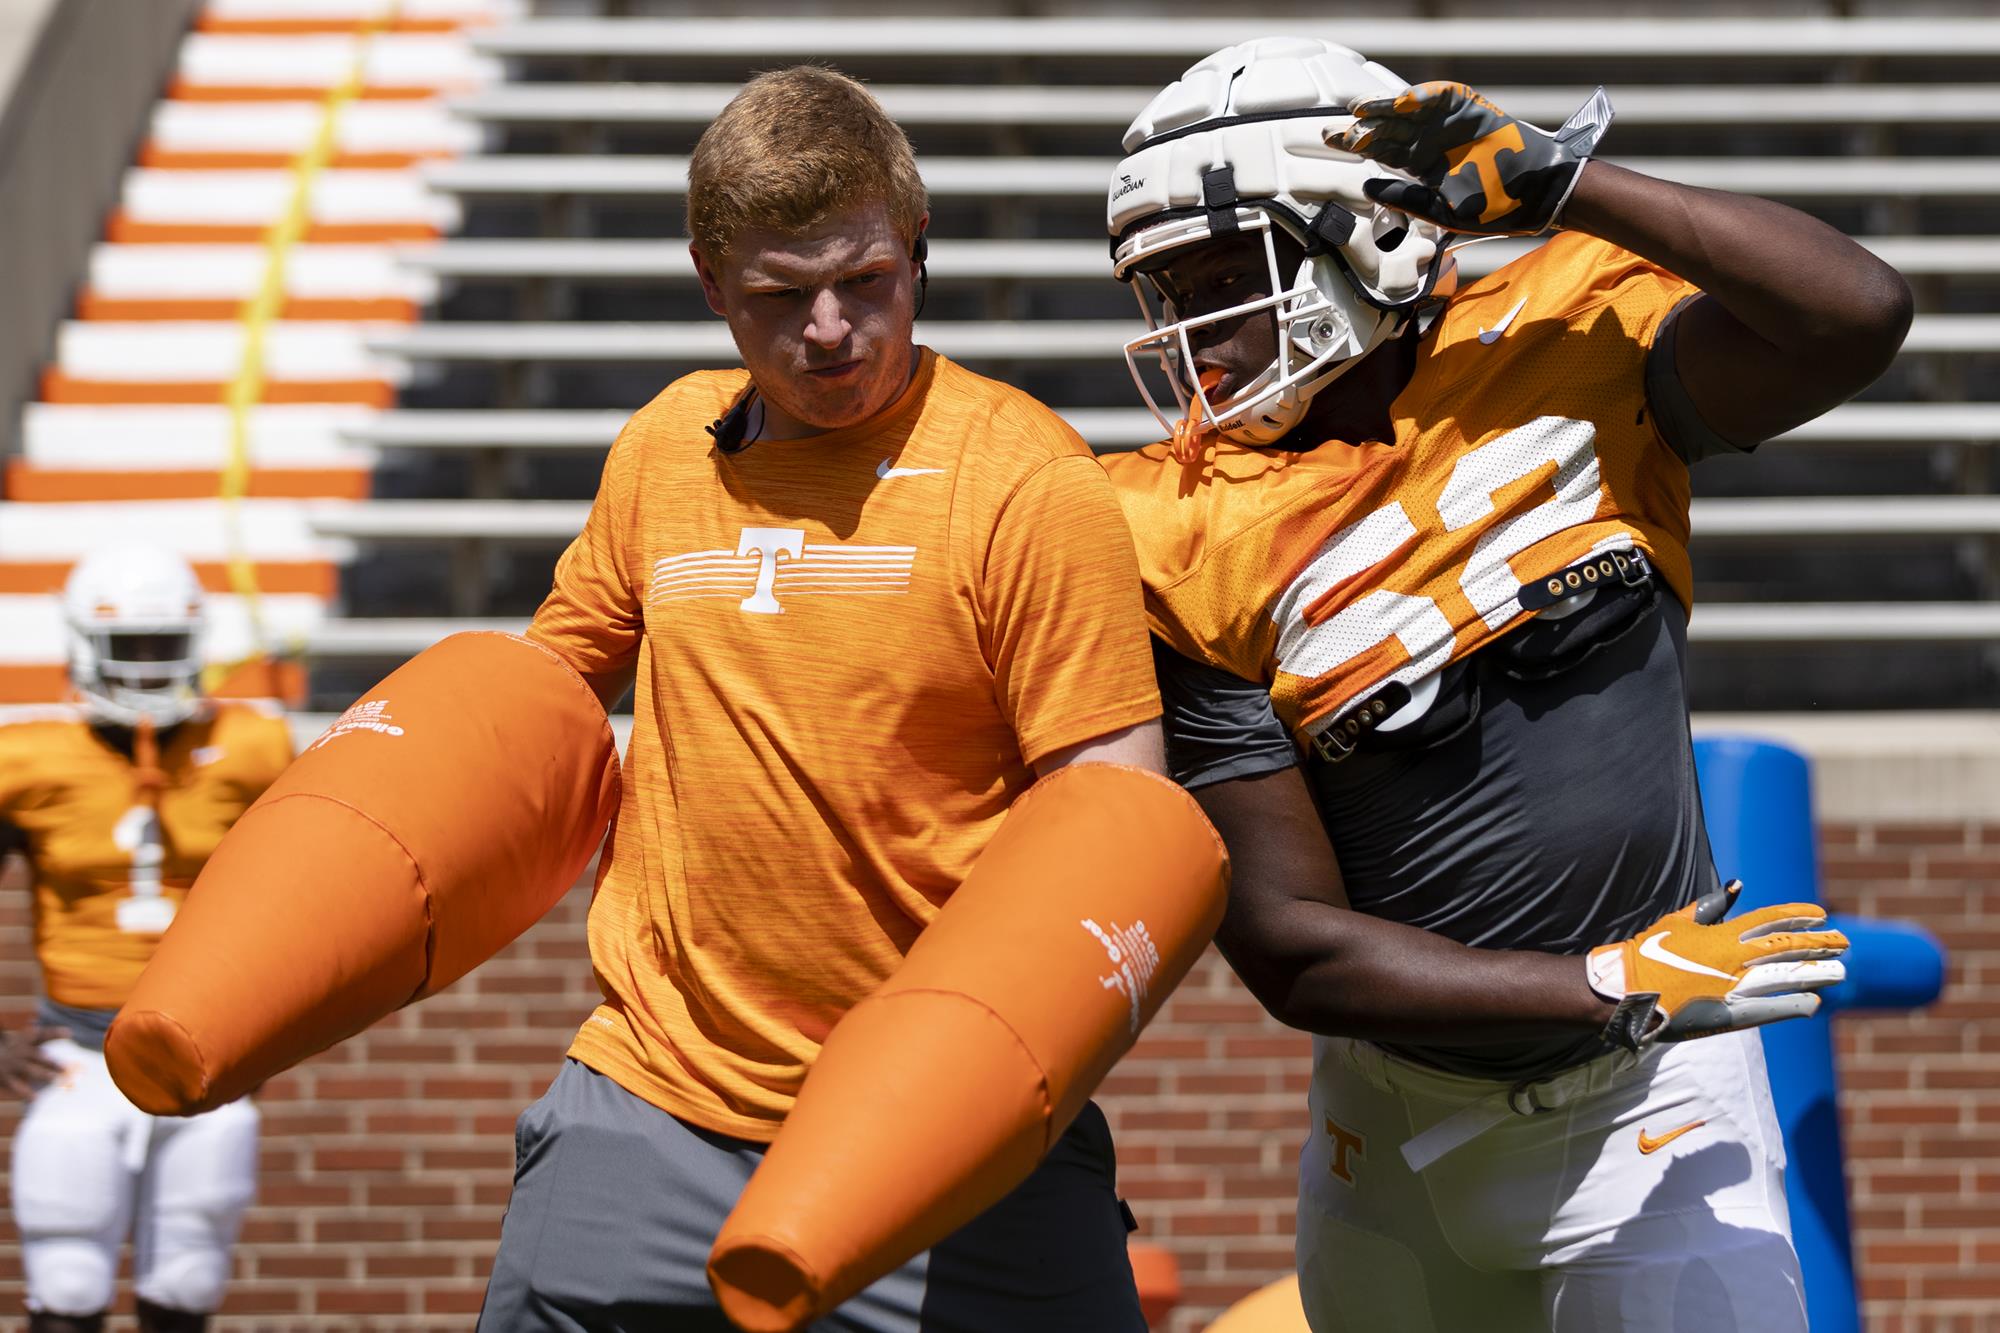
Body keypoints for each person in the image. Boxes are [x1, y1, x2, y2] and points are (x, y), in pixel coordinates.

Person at [1098, 36, 1905, 1332]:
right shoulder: (1178, 529)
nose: (1192, 339)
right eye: (1165, 291)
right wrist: (1611, 977)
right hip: (1397, 1141)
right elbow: (1296, 952)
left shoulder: (1567, 340)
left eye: (1222, 280)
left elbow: (1854, 312)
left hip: (1659, 1108)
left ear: (1360, 232)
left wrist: (1569, 183)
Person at [474, 65, 1176, 1330]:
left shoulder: (1025, 479)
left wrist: (1005, 1067)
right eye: (779, 296)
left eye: (865, 280)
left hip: (946, 1123)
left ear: (917, 248)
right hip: (653, 1096)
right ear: (709, 282)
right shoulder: (657, 449)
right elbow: (541, 700)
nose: (831, 329)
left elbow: (1117, 814)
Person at [0, 546, 292, 1333]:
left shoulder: (254, 744)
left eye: (164, 644)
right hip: (77, 1050)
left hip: (204, 1052)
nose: (148, 664)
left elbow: (304, 898)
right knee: (66, 1281)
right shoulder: (25, 758)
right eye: (131, 646)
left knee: (190, 1282)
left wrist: (273, 1026)